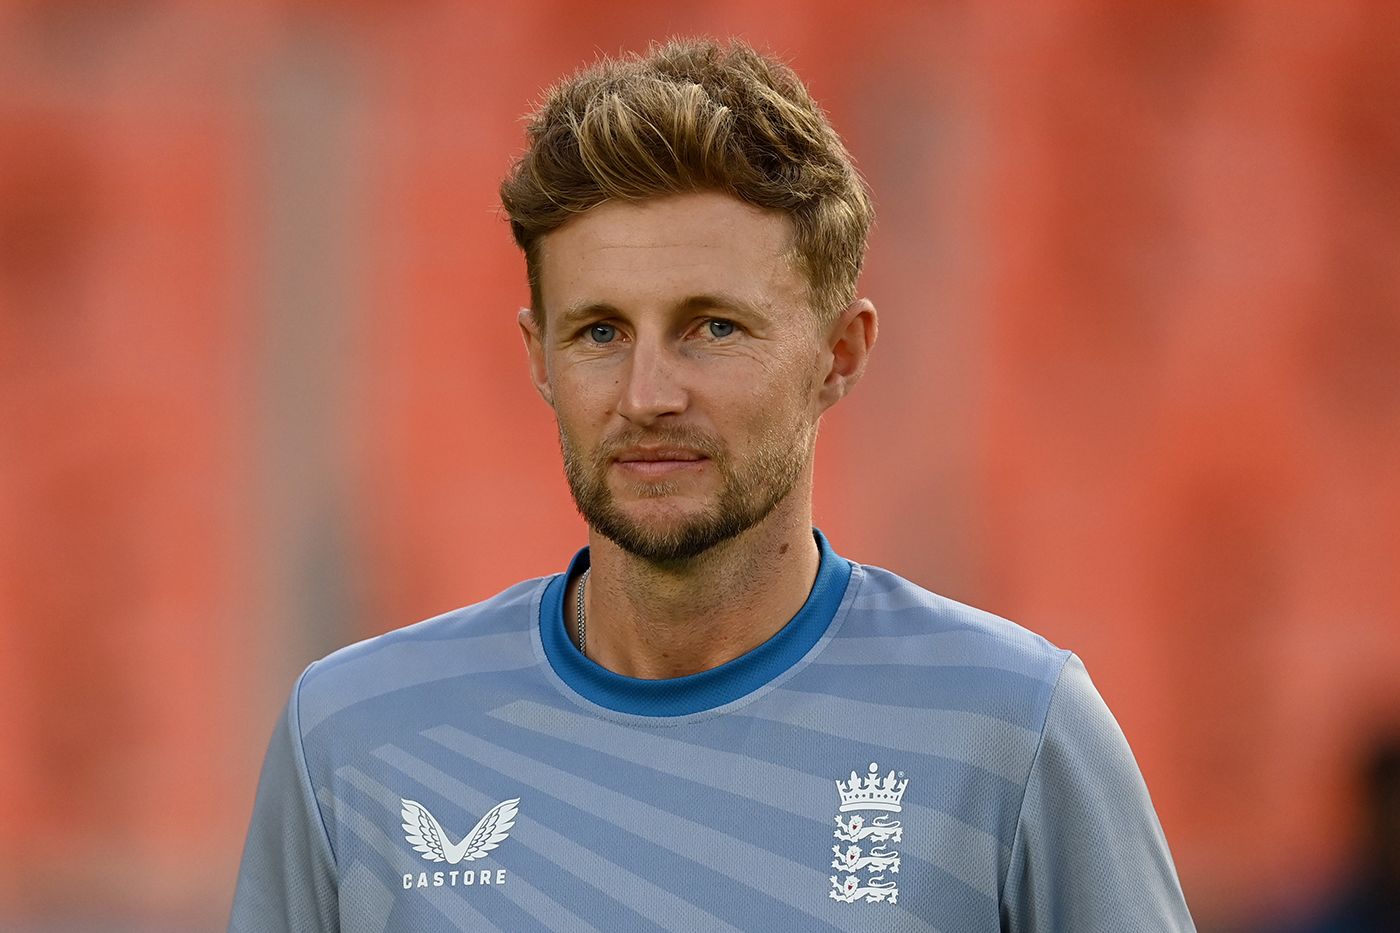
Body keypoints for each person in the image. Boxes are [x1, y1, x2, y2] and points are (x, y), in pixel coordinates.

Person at [231, 37, 1194, 932]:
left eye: (714, 327)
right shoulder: (351, 736)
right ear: (539, 357)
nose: (648, 395)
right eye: (600, 332)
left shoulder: (1014, 728)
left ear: (840, 353)